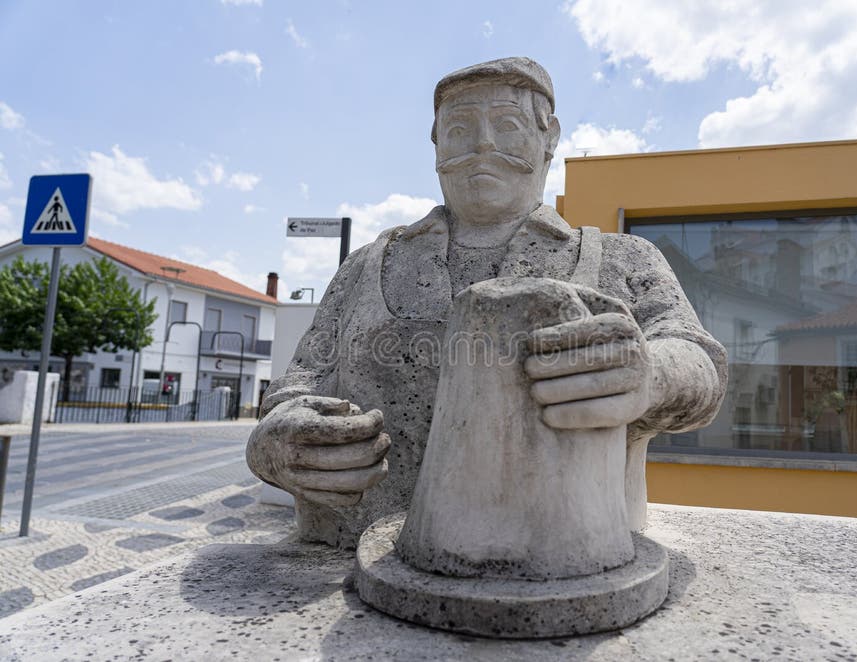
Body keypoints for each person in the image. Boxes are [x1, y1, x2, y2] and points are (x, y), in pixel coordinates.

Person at [247, 57, 727, 547]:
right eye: (458, 129)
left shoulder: (620, 259)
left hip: (557, 568)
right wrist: (278, 442)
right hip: (346, 559)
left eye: (507, 125)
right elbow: (296, 386)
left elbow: (699, 360)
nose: (482, 145)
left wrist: (649, 373)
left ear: (550, 137)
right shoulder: (368, 265)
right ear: (436, 144)